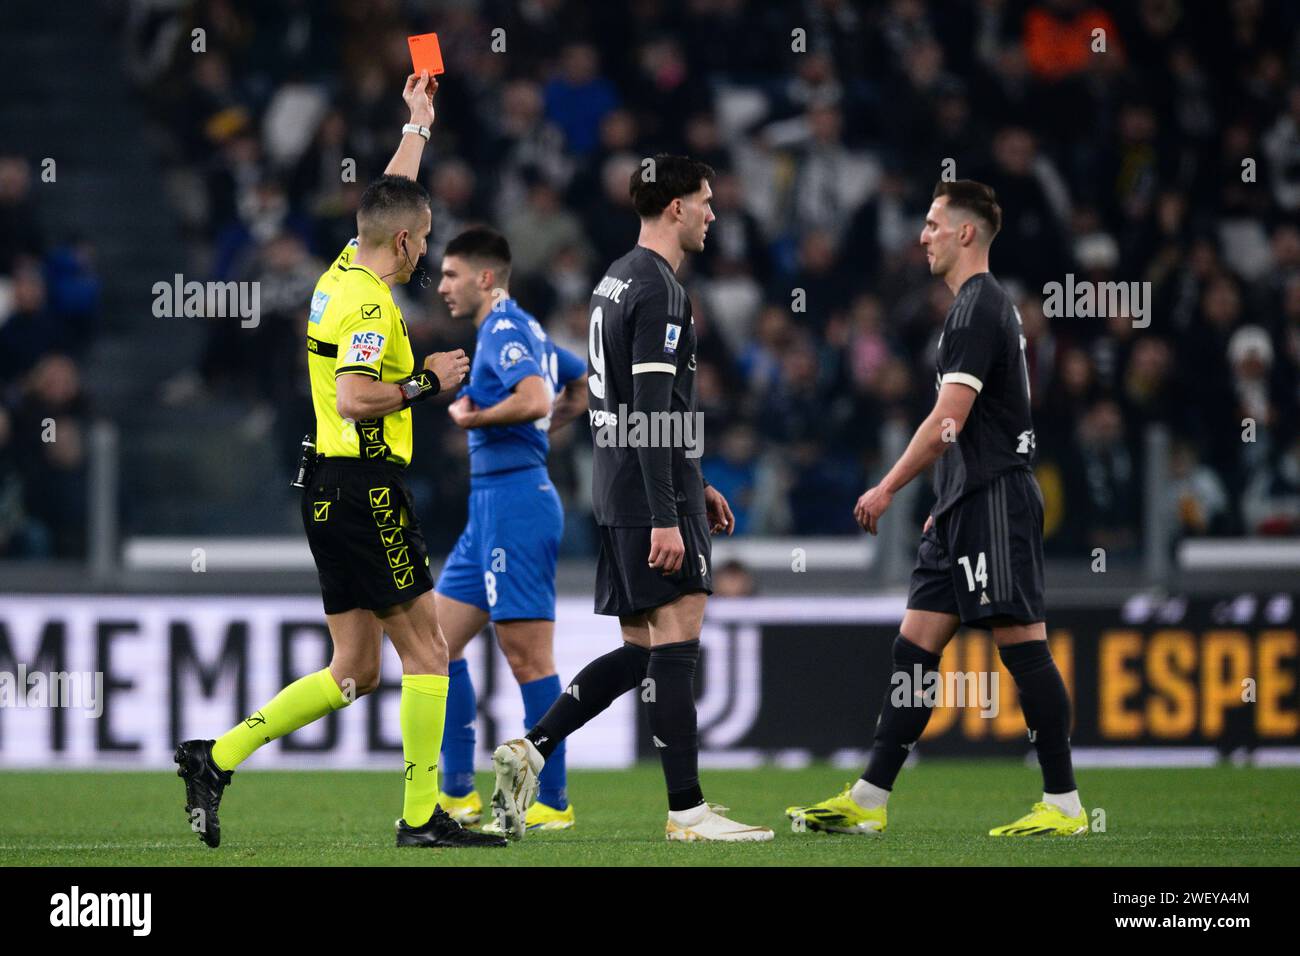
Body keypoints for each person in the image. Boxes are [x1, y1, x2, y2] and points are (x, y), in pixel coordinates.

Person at [174, 72, 506, 850]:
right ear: (402, 242)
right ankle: (423, 816)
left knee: (354, 670)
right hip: (365, 487)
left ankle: (213, 757)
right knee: (429, 649)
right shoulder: (368, 303)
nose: (425, 249)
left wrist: (417, 123)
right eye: (422, 240)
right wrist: (430, 377)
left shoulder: (342, 269)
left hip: (324, 486)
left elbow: (392, 198)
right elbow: (360, 397)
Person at [787, 180, 1087, 837]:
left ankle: (1064, 804)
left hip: (996, 498)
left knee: (1022, 646)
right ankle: (869, 799)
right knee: (914, 649)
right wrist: (944, 497)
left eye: (931, 224)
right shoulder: (970, 309)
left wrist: (889, 486)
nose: (921, 235)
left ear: (966, 233)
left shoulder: (979, 306)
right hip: (962, 502)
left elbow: (948, 420)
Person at [489, 155, 772, 842]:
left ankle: (532, 750)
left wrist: (692, 478)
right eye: (704, 201)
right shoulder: (662, 290)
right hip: (651, 494)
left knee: (645, 650)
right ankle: (687, 812)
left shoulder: (614, 279)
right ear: (675, 207)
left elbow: (619, 400)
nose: (712, 213)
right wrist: (671, 511)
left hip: (617, 485)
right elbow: (648, 405)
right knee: (676, 642)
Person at [431, 226, 588, 832]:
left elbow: (534, 396)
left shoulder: (501, 330)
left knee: (527, 658)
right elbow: (577, 384)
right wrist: (543, 427)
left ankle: (552, 800)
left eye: (451, 274)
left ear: (485, 278)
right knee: (436, 647)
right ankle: (458, 793)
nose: (442, 285)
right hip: (491, 508)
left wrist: (476, 417)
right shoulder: (528, 328)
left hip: (516, 505)